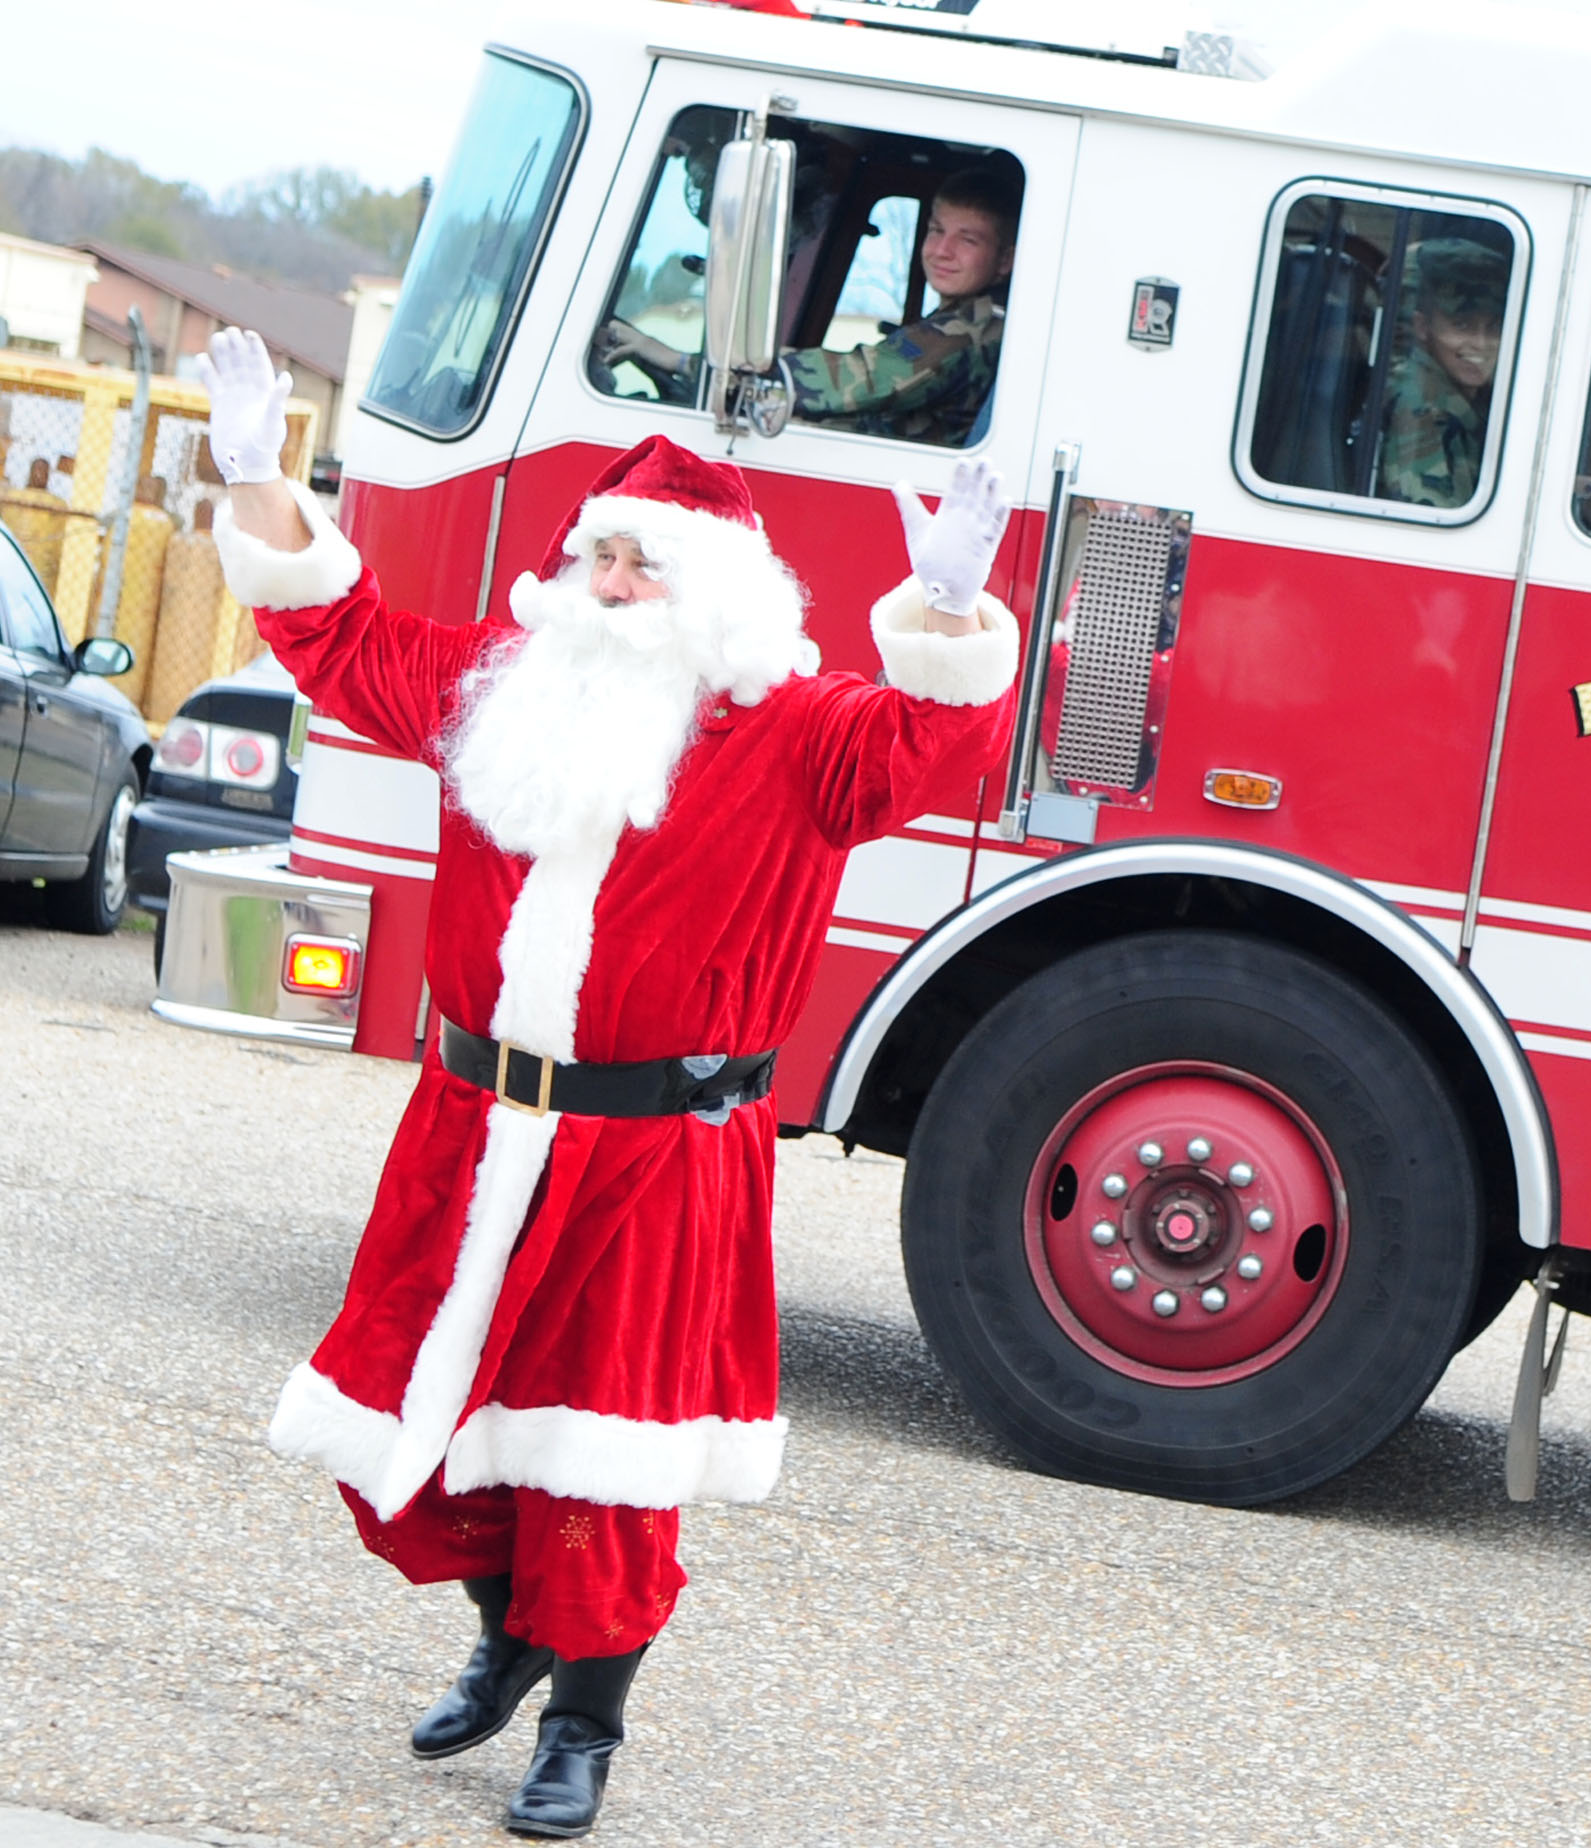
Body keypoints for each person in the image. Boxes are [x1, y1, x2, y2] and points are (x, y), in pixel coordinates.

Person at [197, 327, 1019, 1837]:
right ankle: (507, 1631)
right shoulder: (494, 689)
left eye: (649, 564)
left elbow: (932, 738)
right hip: (471, 1125)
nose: (617, 586)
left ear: (719, 594)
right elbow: (336, 633)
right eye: (602, 557)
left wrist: (950, 610)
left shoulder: (800, 734)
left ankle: (584, 1722)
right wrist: (258, 479)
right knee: (414, 1412)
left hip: (660, 1150)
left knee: (606, 1453)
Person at [596, 163, 1018, 448]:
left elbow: (859, 378)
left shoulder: (971, 330)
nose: (941, 250)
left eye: (968, 240)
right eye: (936, 230)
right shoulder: (968, 320)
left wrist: (679, 361)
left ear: (1005, 260)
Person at [1376, 237, 1511, 509]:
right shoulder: (1423, 411)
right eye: (1462, 325)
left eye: (1494, 327)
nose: (1481, 343)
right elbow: (1428, 520)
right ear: (1422, 327)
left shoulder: (1461, 396)